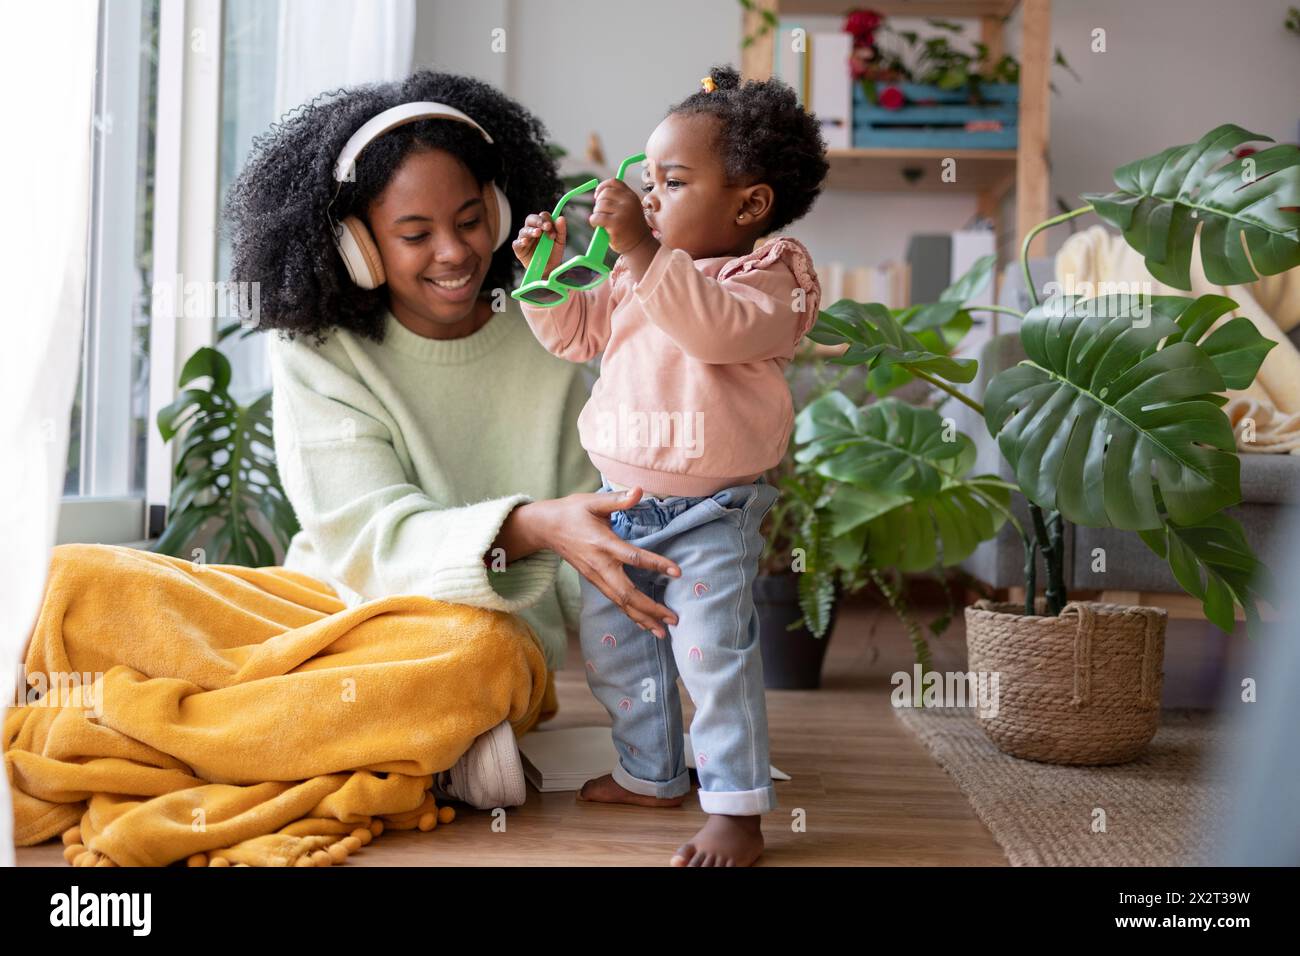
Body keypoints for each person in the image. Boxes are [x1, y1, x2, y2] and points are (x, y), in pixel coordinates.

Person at [513, 64, 829, 865]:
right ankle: (650, 771)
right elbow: (576, 337)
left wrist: (643, 249)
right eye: (646, 178)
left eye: (673, 180)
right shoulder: (635, 270)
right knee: (617, 648)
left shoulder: (772, 279)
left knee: (710, 656)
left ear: (749, 203)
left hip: (709, 514)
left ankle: (736, 809)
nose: (649, 196)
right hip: (618, 504)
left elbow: (714, 331)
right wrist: (543, 275)